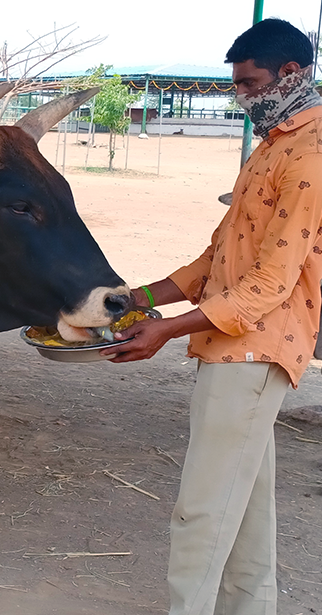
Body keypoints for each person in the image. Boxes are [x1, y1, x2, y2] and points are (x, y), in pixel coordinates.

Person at [106, 19, 322, 615]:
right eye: (238, 86)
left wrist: (167, 330)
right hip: (231, 344)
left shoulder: (310, 155)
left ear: (291, 74)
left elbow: (270, 284)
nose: (243, 97)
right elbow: (216, 261)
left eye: (250, 84)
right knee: (247, 502)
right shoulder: (273, 147)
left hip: (255, 346)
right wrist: (136, 301)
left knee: (201, 506)